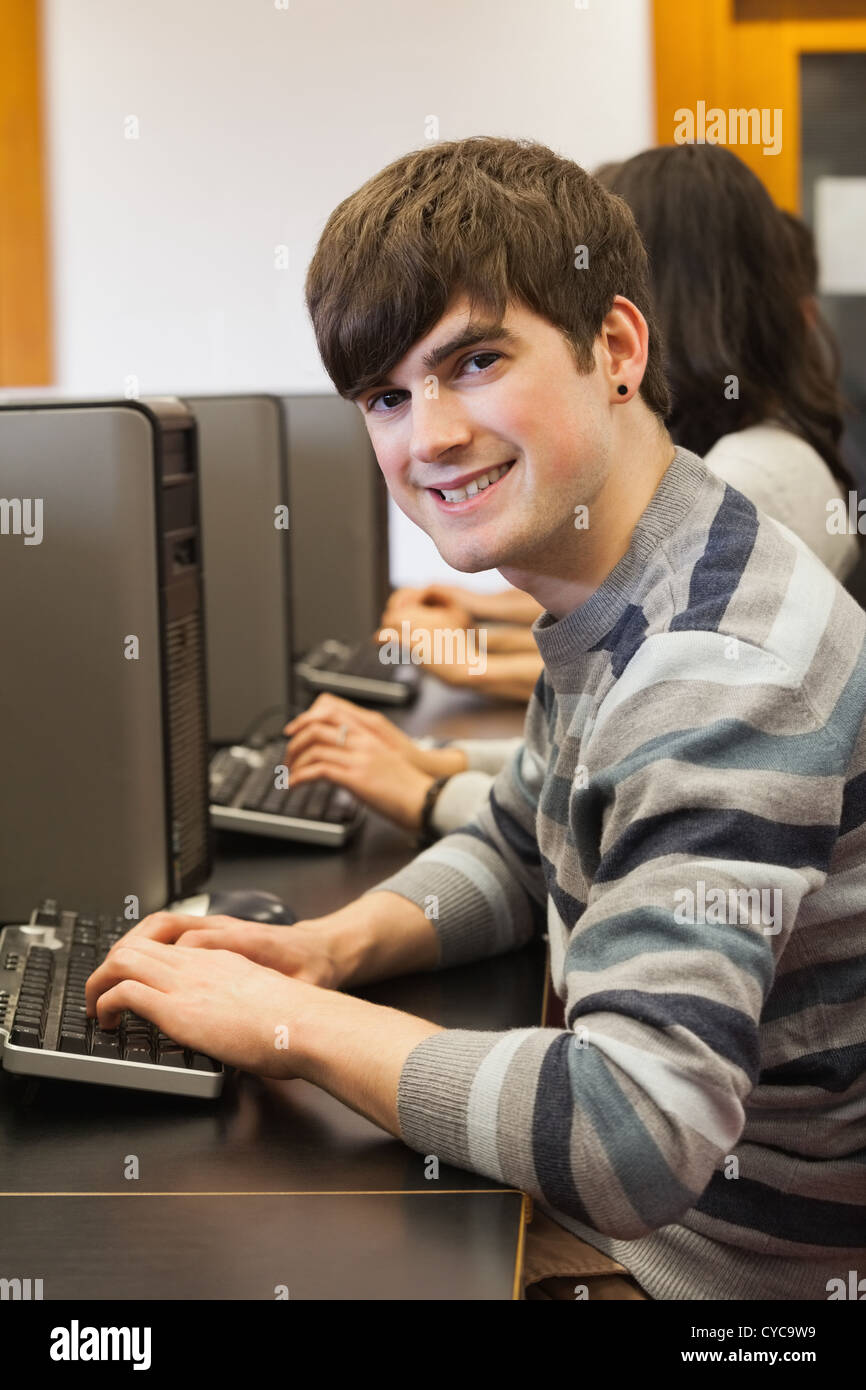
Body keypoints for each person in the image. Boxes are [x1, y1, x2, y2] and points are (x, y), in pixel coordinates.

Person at [86, 136, 866, 1300]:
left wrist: (292, 1023)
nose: (430, 435)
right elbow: (518, 840)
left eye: (477, 362)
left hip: (718, 1271)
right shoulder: (631, 564)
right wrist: (324, 948)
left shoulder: (713, 663)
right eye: (388, 397)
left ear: (614, 346)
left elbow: (628, 1132)